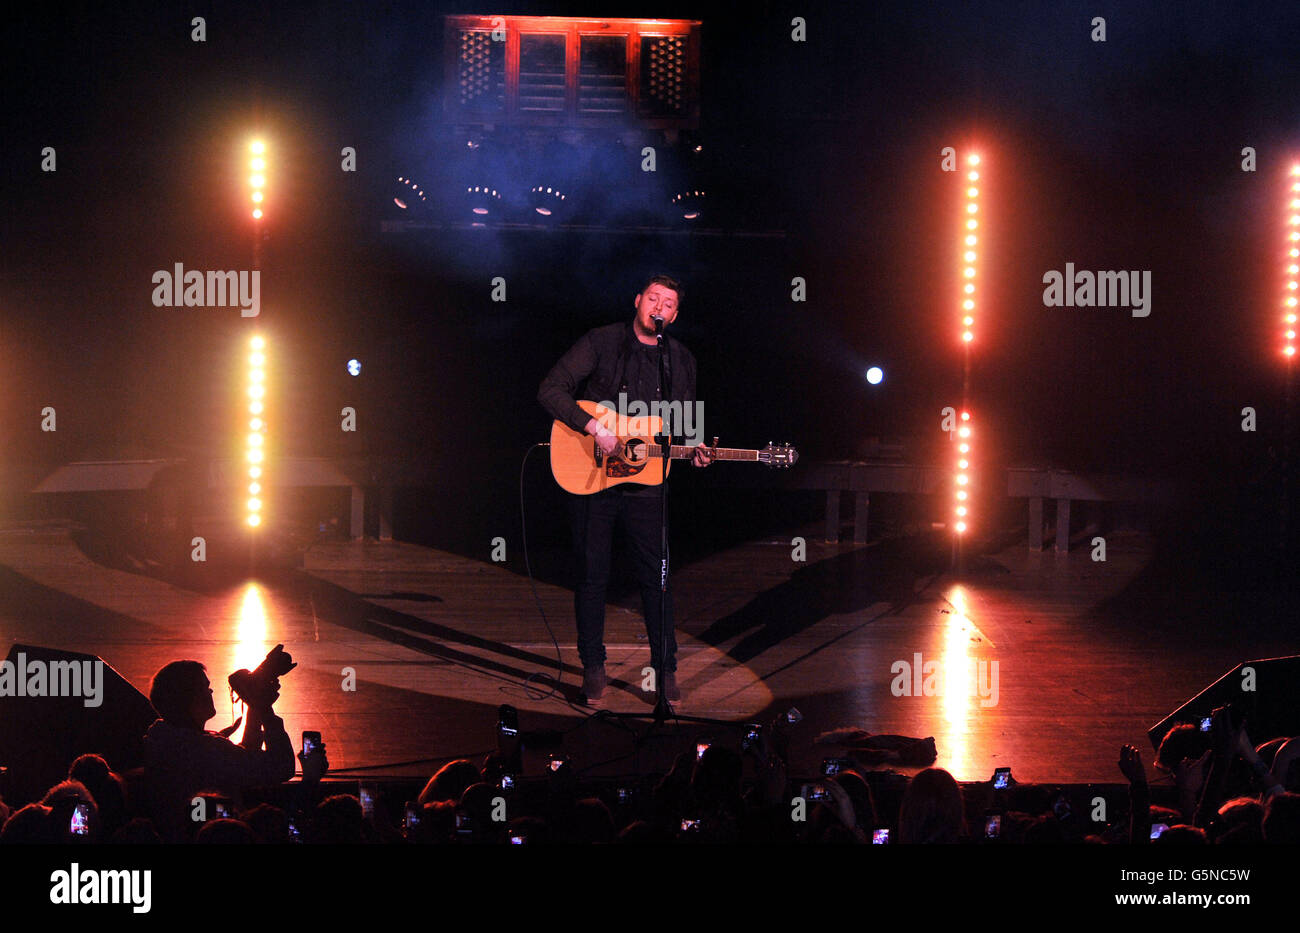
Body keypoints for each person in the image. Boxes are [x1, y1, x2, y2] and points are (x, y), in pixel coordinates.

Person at [538, 274, 712, 703]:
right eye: (653, 298)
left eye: (668, 303)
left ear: (674, 315)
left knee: (658, 580)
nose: (658, 307)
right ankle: (593, 668)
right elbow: (550, 389)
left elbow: (681, 427)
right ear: (637, 301)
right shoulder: (601, 341)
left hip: (646, 482)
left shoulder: (681, 360)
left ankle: (665, 668)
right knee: (592, 576)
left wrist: (694, 449)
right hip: (592, 476)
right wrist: (593, 426)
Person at [142, 658, 302, 842]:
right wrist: (265, 709)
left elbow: (243, 758)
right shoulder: (204, 751)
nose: (210, 691)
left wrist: (254, 705)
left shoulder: (162, 740)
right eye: (205, 687)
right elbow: (280, 767)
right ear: (191, 698)